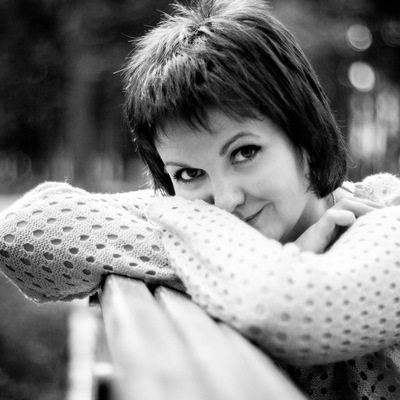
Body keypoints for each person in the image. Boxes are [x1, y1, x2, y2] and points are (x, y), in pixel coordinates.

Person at [1, 0, 400, 399]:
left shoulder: (386, 215)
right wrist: (237, 257)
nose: (225, 201)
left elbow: (292, 311)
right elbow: (23, 232)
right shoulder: (188, 212)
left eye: (245, 152)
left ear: (306, 138)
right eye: (189, 173)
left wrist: (206, 257)